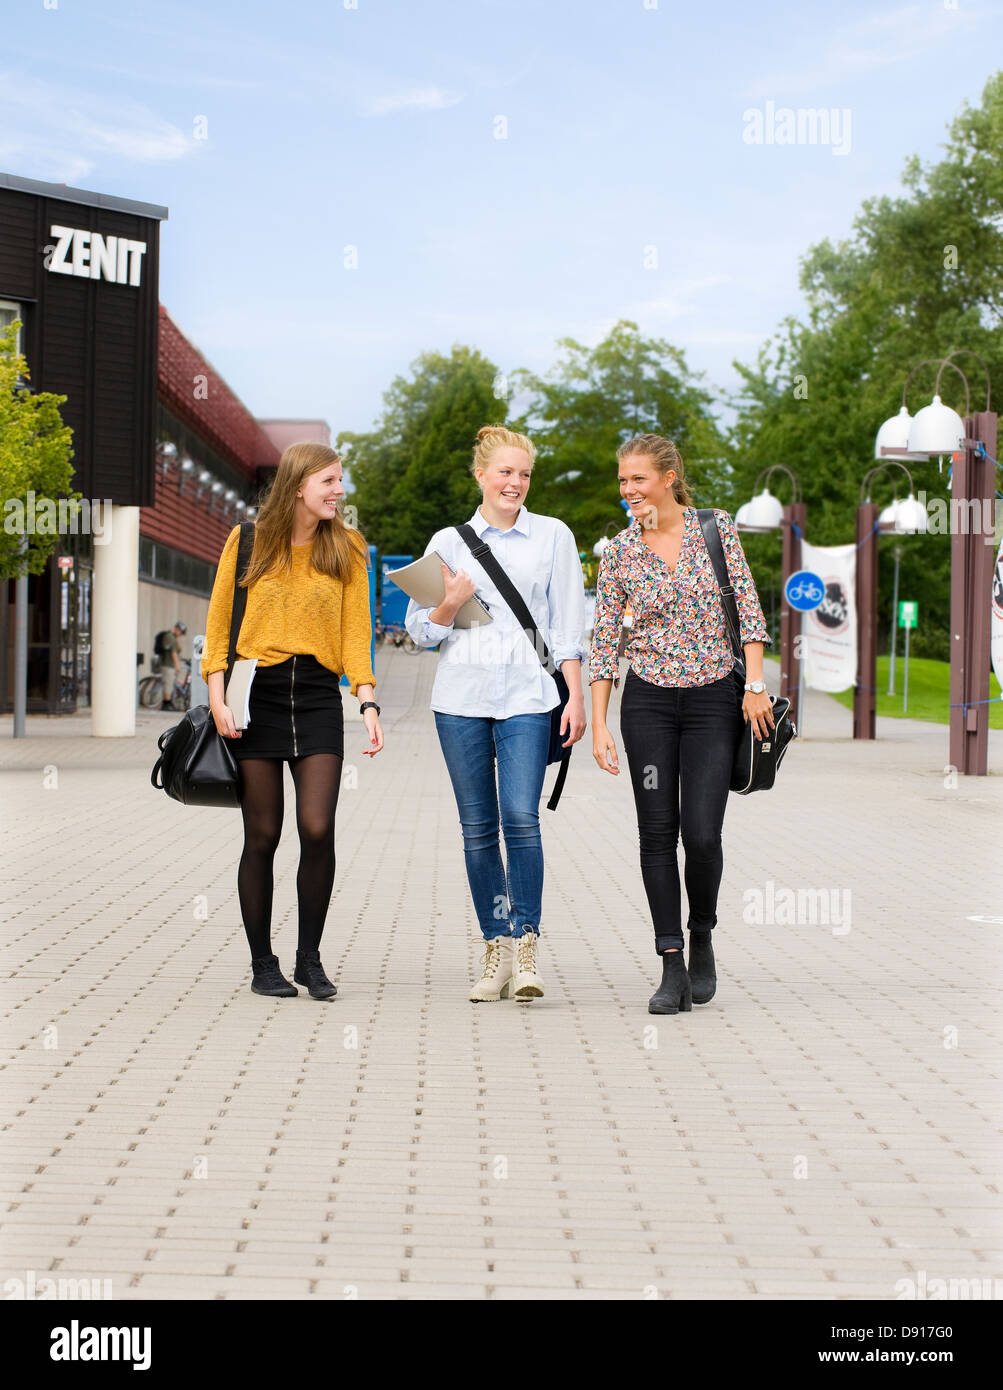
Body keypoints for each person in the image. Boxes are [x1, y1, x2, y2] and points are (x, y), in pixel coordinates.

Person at [589, 434, 773, 1015]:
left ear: (669, 476)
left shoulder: (716, 529)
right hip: (646, 704)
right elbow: (603, 643)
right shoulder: (619, 552)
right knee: (655, 832)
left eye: (638, 479)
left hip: (714, 700)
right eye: (622, 481)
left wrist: (755, 684)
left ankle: (702, 935)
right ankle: (670, 962)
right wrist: (598, 724)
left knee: (702, 833)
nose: (628, 491)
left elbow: (747, 609)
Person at [404, 425, 587, 1003]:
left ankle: (528, 945)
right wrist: (449, 603)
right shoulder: (449, 542)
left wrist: (576, 698)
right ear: (481, 475)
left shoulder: (554, 536)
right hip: (460, 701)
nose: (516, 482)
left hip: (531, 699)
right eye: (505, 472)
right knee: (478, 828)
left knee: (521, 818)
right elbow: (418, 633)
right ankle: (496, 948)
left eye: (524, 474)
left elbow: (567, 626)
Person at [201, 442, 383, 1000]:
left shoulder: (348, 547)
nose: (339, 491)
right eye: (329, 481)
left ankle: (310, 957)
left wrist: (368, 701)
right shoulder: (248, 540)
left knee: (318, 828)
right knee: (262, 833)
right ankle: (263, 963)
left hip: (320, 699)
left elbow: (356, 632)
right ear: (299, 484)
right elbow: (218, 622)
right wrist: (217, 698)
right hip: (257, 694)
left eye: (340, 481)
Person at [156, 621, 187, 711]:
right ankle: (166, 705)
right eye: (181, 632)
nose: (181, 635)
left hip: (169, 665)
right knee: (168, 685)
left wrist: (176, 638)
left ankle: (168, 703)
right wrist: (177, 665)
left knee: (170, 684)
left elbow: (179, 649)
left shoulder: (173, 638)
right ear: (178, 629)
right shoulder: (170, 637)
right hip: (168, 665)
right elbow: (173, 653)